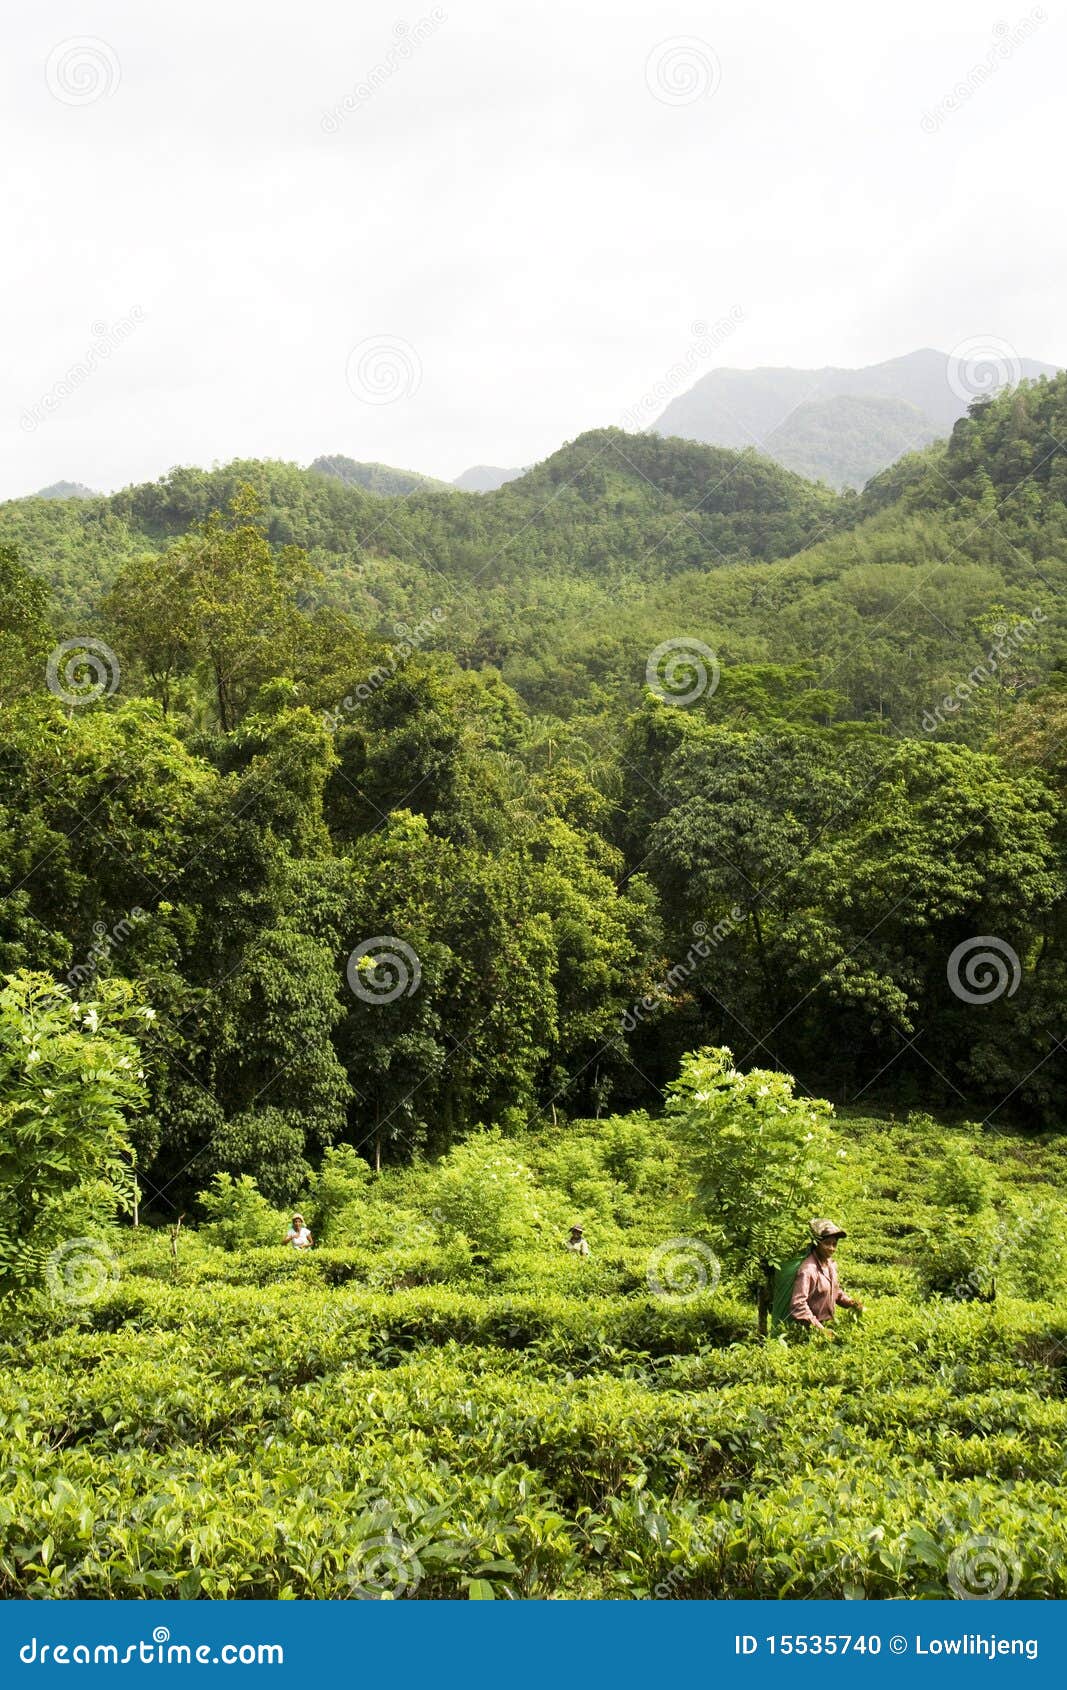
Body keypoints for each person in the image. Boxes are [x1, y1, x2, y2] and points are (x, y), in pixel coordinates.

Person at [786, 1218, 863, 1334]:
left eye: (834, 1244)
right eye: (827, 1243)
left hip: (827, 1326)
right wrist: (820, 1329)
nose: (832, 1248)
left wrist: (850, 1302)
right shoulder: (808, 1270)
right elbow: (798, 1305)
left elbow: (835, 1291)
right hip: (808, 1331)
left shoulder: (830, 1264)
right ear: (816, 1243)